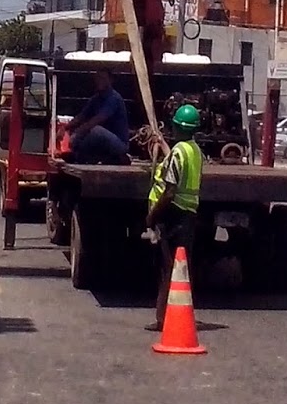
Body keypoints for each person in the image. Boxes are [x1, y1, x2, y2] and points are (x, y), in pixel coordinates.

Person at [145, 103, 203, 333]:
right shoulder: (194, 151)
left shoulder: (179, 152)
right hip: (189, 215)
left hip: (173, 216)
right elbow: (178, 161)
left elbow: (169, 191)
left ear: (177, 127)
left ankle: (162, 319)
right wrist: (162, 144)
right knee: (182, 269)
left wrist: (152, 216)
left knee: (167, 269)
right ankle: (180, 312)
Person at [66, 66, 131, 164]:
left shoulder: (114, 98)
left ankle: (119, 156)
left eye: (103, 79)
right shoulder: (95, 99)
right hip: (103, 142)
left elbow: (99, 119)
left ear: (110, 80)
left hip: (119, 143)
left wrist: (79, 132)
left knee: (95, 130)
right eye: (98, 78)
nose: (100, 81)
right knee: (83, 135)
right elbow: (81, 116)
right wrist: (65, 128)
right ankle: (83, 156)